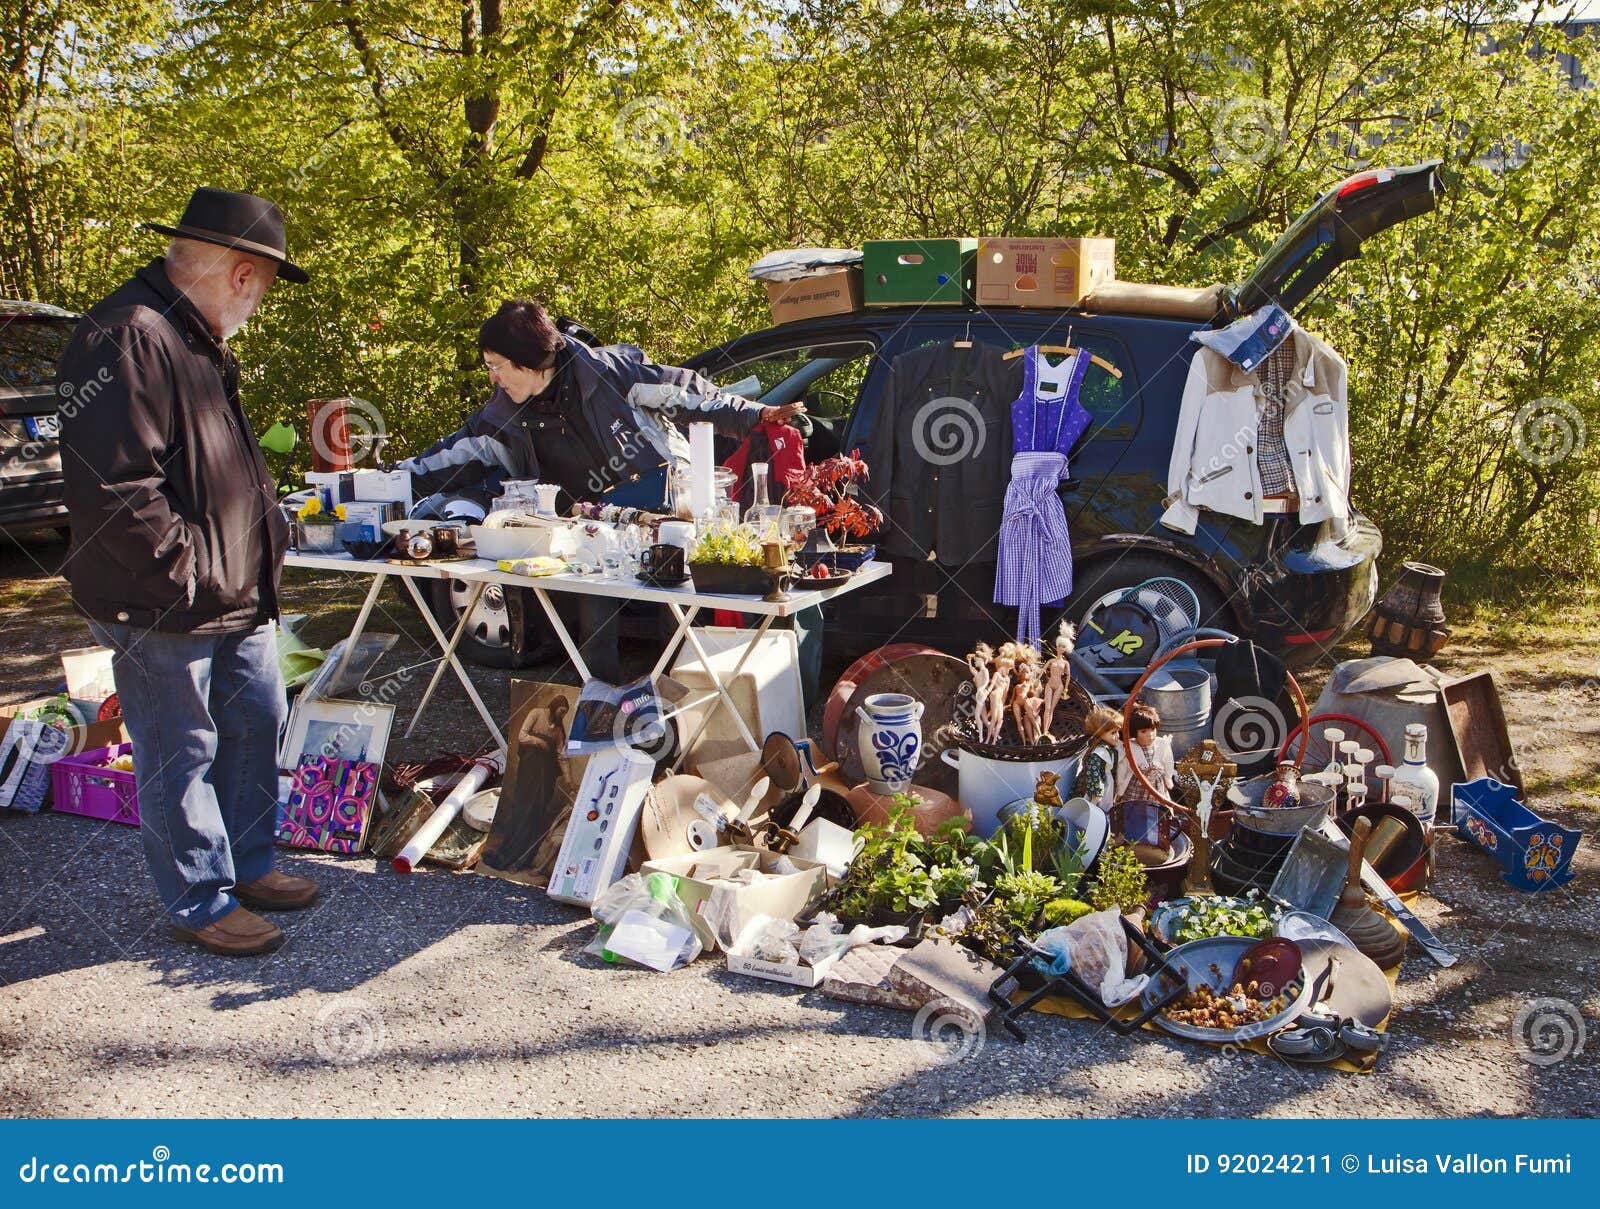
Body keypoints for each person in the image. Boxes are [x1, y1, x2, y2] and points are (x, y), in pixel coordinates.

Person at [57, 187, 311, 957]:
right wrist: (186, 573)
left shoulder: (191, 333)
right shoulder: (129, 335)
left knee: (256, 719)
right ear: (243, 275)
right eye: (265, 287)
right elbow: (116, 488)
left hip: (233, 592)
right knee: (181, 747)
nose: (260, 303)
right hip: (166, 600)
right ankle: (199, 896)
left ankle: (247, 864)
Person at [397, 298, 803, 679]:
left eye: (496, 365)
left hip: (664, 511)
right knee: (594, 608)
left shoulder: (609, 373)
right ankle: (599, 703)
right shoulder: (501, 415)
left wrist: (755, 414)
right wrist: (387, 481)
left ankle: (685, 693)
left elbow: (688, 394)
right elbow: (445, 459)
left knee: (676, 610)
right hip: (588, 533)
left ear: (529, 361)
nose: (493, 377)